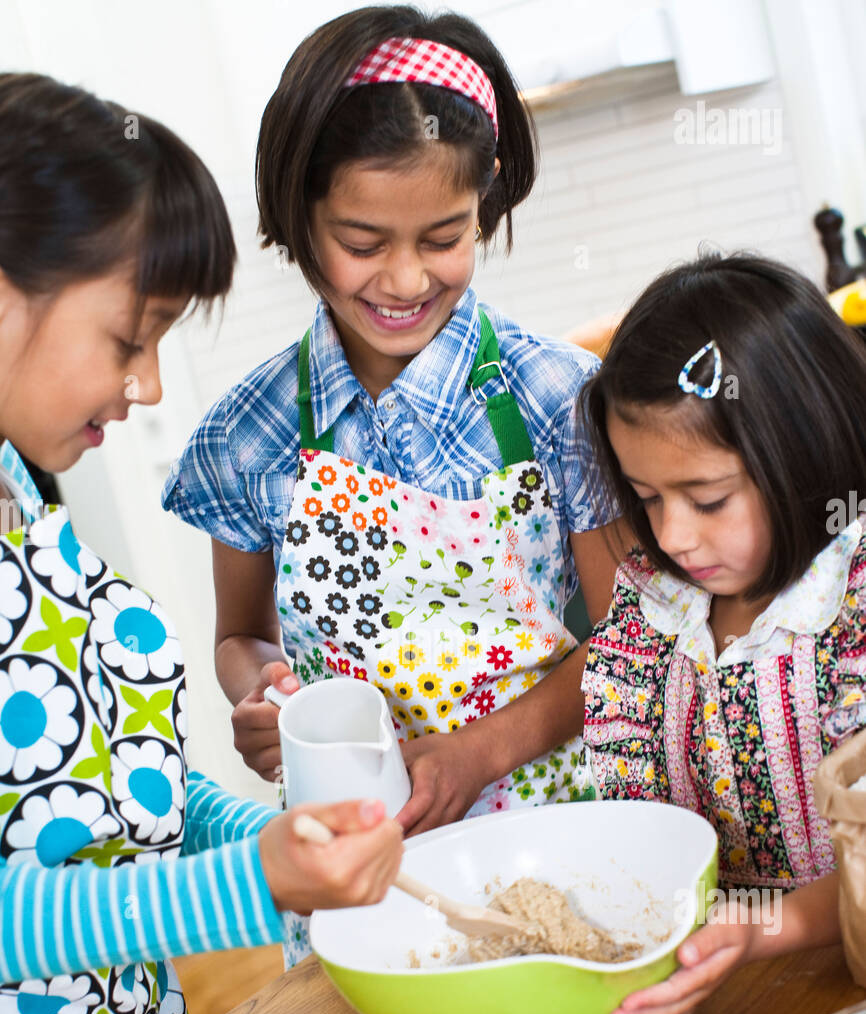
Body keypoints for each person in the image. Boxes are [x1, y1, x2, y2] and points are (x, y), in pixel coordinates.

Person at [0, 73, 403, 1014]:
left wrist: (282, 842)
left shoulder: (27, 499)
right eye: (131, 338)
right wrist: (250, 884)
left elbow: (109, 805)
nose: (146, 388)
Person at [161, 6, 621, 924]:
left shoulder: (559, 399)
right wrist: (265, 698)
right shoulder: (249, 435)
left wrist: (479, 752)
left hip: (563, 830)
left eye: (444, 238)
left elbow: (627, 646)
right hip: (364, 869)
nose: (406, 280)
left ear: (484, 207)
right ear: (299, 218)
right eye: (364, 244)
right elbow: (238, 639)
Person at [578, 251, 866, 1014]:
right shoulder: (652, 613)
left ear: (805, 453)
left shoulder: (853, 606)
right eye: (646, 498)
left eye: (707, 499)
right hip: (709, 985)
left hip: (843, 980)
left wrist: (758, 928)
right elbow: (635, 811)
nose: (672, 535)